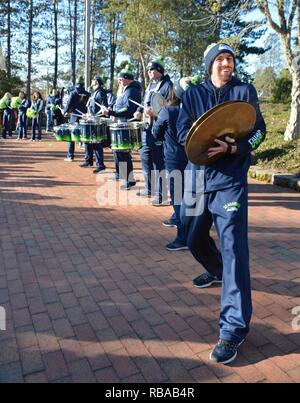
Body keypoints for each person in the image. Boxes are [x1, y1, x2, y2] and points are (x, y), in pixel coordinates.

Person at [177, 43, 266, 365]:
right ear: (210, 64)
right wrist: (202, 142)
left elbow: (260, 133)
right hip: (196, 178)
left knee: (234, 251)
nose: (227, 63)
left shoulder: (245, 91)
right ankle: (215, 270)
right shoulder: (192, 95)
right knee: (191, 237)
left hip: (230, 183)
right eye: (221, 59)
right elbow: (181, 133)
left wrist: (235, 147)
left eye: (230, 59)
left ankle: (233, 329)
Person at [152, 76, 201, 251]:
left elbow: (156, 133)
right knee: (192, 198)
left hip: (174, 159)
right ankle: (195, 235)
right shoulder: (199, 111)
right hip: (194, 158)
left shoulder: (168, 110)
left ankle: (182, 238)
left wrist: (156, 117)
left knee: (179, 199)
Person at [134, 57, 173, 204]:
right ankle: (149, 188)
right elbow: (145, 102)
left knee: (159, 163)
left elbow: (169, 109)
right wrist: (138, 111)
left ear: (159, 71)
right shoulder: (151, 85)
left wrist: (155, 114)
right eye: (148, 70)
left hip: (159, 129)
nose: (149, 72)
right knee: (145, 158)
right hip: (147, 128)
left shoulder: (168, 86)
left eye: (152, 70)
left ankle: (162, 196)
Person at [101, 65, 142, 190]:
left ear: (128, 79)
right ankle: (120, 174)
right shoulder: (124, 91)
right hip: (119, 124)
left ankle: (129, 179)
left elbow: (128, 109)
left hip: (124, 125)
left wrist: (111, 113)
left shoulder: (131, 91)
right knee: (118, 152)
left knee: (123, 153)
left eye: (121, 79)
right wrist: (110, 110)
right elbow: (119, 106)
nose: (119, 81)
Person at [81, 75, 108, 173]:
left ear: (96, 81)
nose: (91, 81)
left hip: (96, 122)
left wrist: (94, 116)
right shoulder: (94, 92)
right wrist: (87, 115)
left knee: (97, 143)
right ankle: (88, 160)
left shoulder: (100, 92)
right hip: (91, 121)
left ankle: (100, 165)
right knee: (88, 141)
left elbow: (104, 108)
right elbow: (91, 107)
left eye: (93, 79)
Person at [63, 76, 90, 162]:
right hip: (84, 117)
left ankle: (70, 156)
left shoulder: (73, 93)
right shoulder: (88, 93)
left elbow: (69, 103)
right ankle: (87, 157)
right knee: (85, 137)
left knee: (71, 136)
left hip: (74, 117)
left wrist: (65, 111)